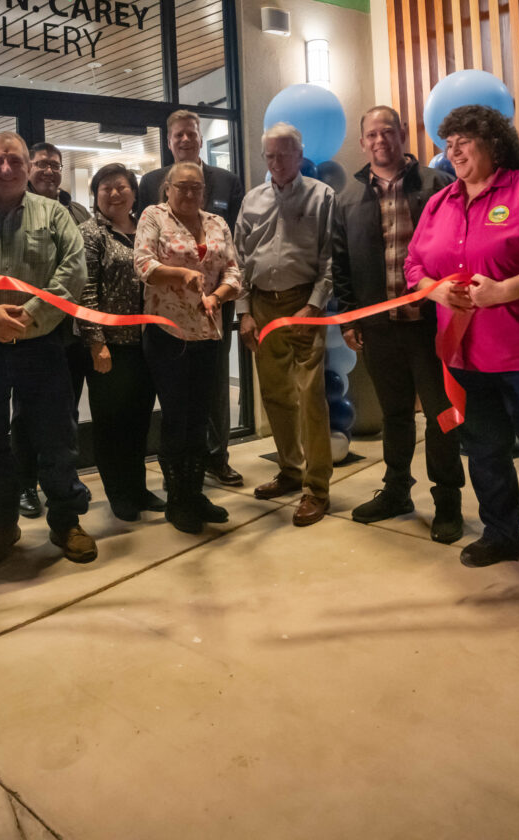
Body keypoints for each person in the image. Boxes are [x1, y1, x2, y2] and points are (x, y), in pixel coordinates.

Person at [405, 105, 519, 606]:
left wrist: (508, 289)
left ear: (494, 143)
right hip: (468, 357)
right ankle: (502, 534)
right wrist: (433, 290)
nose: (456, 151)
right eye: (449, 143)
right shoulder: (439, 203)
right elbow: (414, 265)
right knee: (485, 454)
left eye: (466, 139)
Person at [0, 131, 96, 567]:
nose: (6, 169)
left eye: (15, 161)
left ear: (29, 168)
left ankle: (66, 521)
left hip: (40, 347)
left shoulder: (54, 214)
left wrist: (29, 314)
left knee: (57, 439)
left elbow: (74, 269)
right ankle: (2, 523)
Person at [330, 106, 466, 542]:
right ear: (363, 142)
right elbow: (341, 262)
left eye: (387, 132)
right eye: (372, 134)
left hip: (431, 325)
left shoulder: (437, 185)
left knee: (443, 414)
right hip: (378, 327)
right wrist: (349, 316)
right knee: (394, 414)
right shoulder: (347, 198)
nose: (380, 141)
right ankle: (396, 491)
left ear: (403, 135)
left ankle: (447, 500)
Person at [137, 109, 247, 488]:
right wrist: (183, 275)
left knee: (210, 395)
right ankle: (179, 480)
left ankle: (213, 461)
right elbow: (144, 257)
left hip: (214, 311)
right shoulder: (151, 190)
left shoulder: (227, 184)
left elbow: (235, 256)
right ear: (169, 142)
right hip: (168, 322)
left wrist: (220, 294)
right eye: (178, 135)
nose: (185, 140)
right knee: (177, 407)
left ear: (201, 138)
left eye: (191, 134)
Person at [234, 123, 336, 526]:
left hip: (303, 304)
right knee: (275, 395)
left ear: (300, 153)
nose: (277, 163)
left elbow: (329, 259)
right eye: (270, 156)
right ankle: (291, 471)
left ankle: (317, 488)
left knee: (311, 397)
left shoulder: (321, 196)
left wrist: (314, 306)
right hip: (262, 305)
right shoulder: (252, 199)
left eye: (284, 154)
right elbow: (239, 261)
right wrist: (244, 312)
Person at [77, 163, 165, 521]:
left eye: (122, 187)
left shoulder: (146, 229)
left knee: (139, 420)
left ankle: (138, 488)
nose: (115, 194)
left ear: (133, 192)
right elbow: (85, 290)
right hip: (110, 347)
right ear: (96, 195)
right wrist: (96, 342)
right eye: (106, 188)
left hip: (147, 344)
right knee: (112, 423)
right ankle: (119, 494)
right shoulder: (91, 232)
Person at [14, 140, 93, 518]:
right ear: (29, 168)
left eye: (56, 165)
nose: (49, 171)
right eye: (42, 164)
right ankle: (25, 484)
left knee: (66, 417)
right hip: (31, 331)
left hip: (72, 333)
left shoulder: (76, 210)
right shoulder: (18, 207)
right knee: (26, 415)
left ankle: (60, 480)